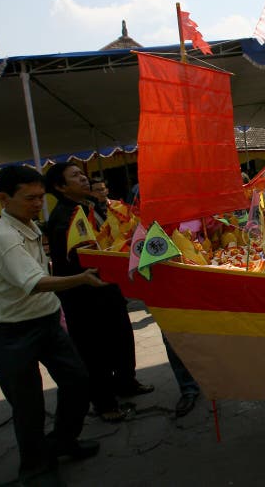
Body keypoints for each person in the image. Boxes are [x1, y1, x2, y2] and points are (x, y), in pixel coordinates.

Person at [0, 166, 103, 485]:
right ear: (3, 198)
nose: (39, 203)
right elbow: (36, 282)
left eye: (41, 197)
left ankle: (62, 442)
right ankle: (35, 466)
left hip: (48, 319)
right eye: (30, 198)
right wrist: (81, 279)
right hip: (12, 331)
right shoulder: (4, 237)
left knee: (78, 381)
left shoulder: (29, 225)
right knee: (28, 404)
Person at [45, 162, 154, 423]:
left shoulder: (90, 207)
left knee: (121, 337)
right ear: (60, 187)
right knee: (95, 351)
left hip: (106, 287)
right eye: (75, 177)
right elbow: (77, 257)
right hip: (84, 294)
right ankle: (105, 404)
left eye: (83, 174)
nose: (83, 179)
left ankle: (127, 383)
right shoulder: (64, 217)